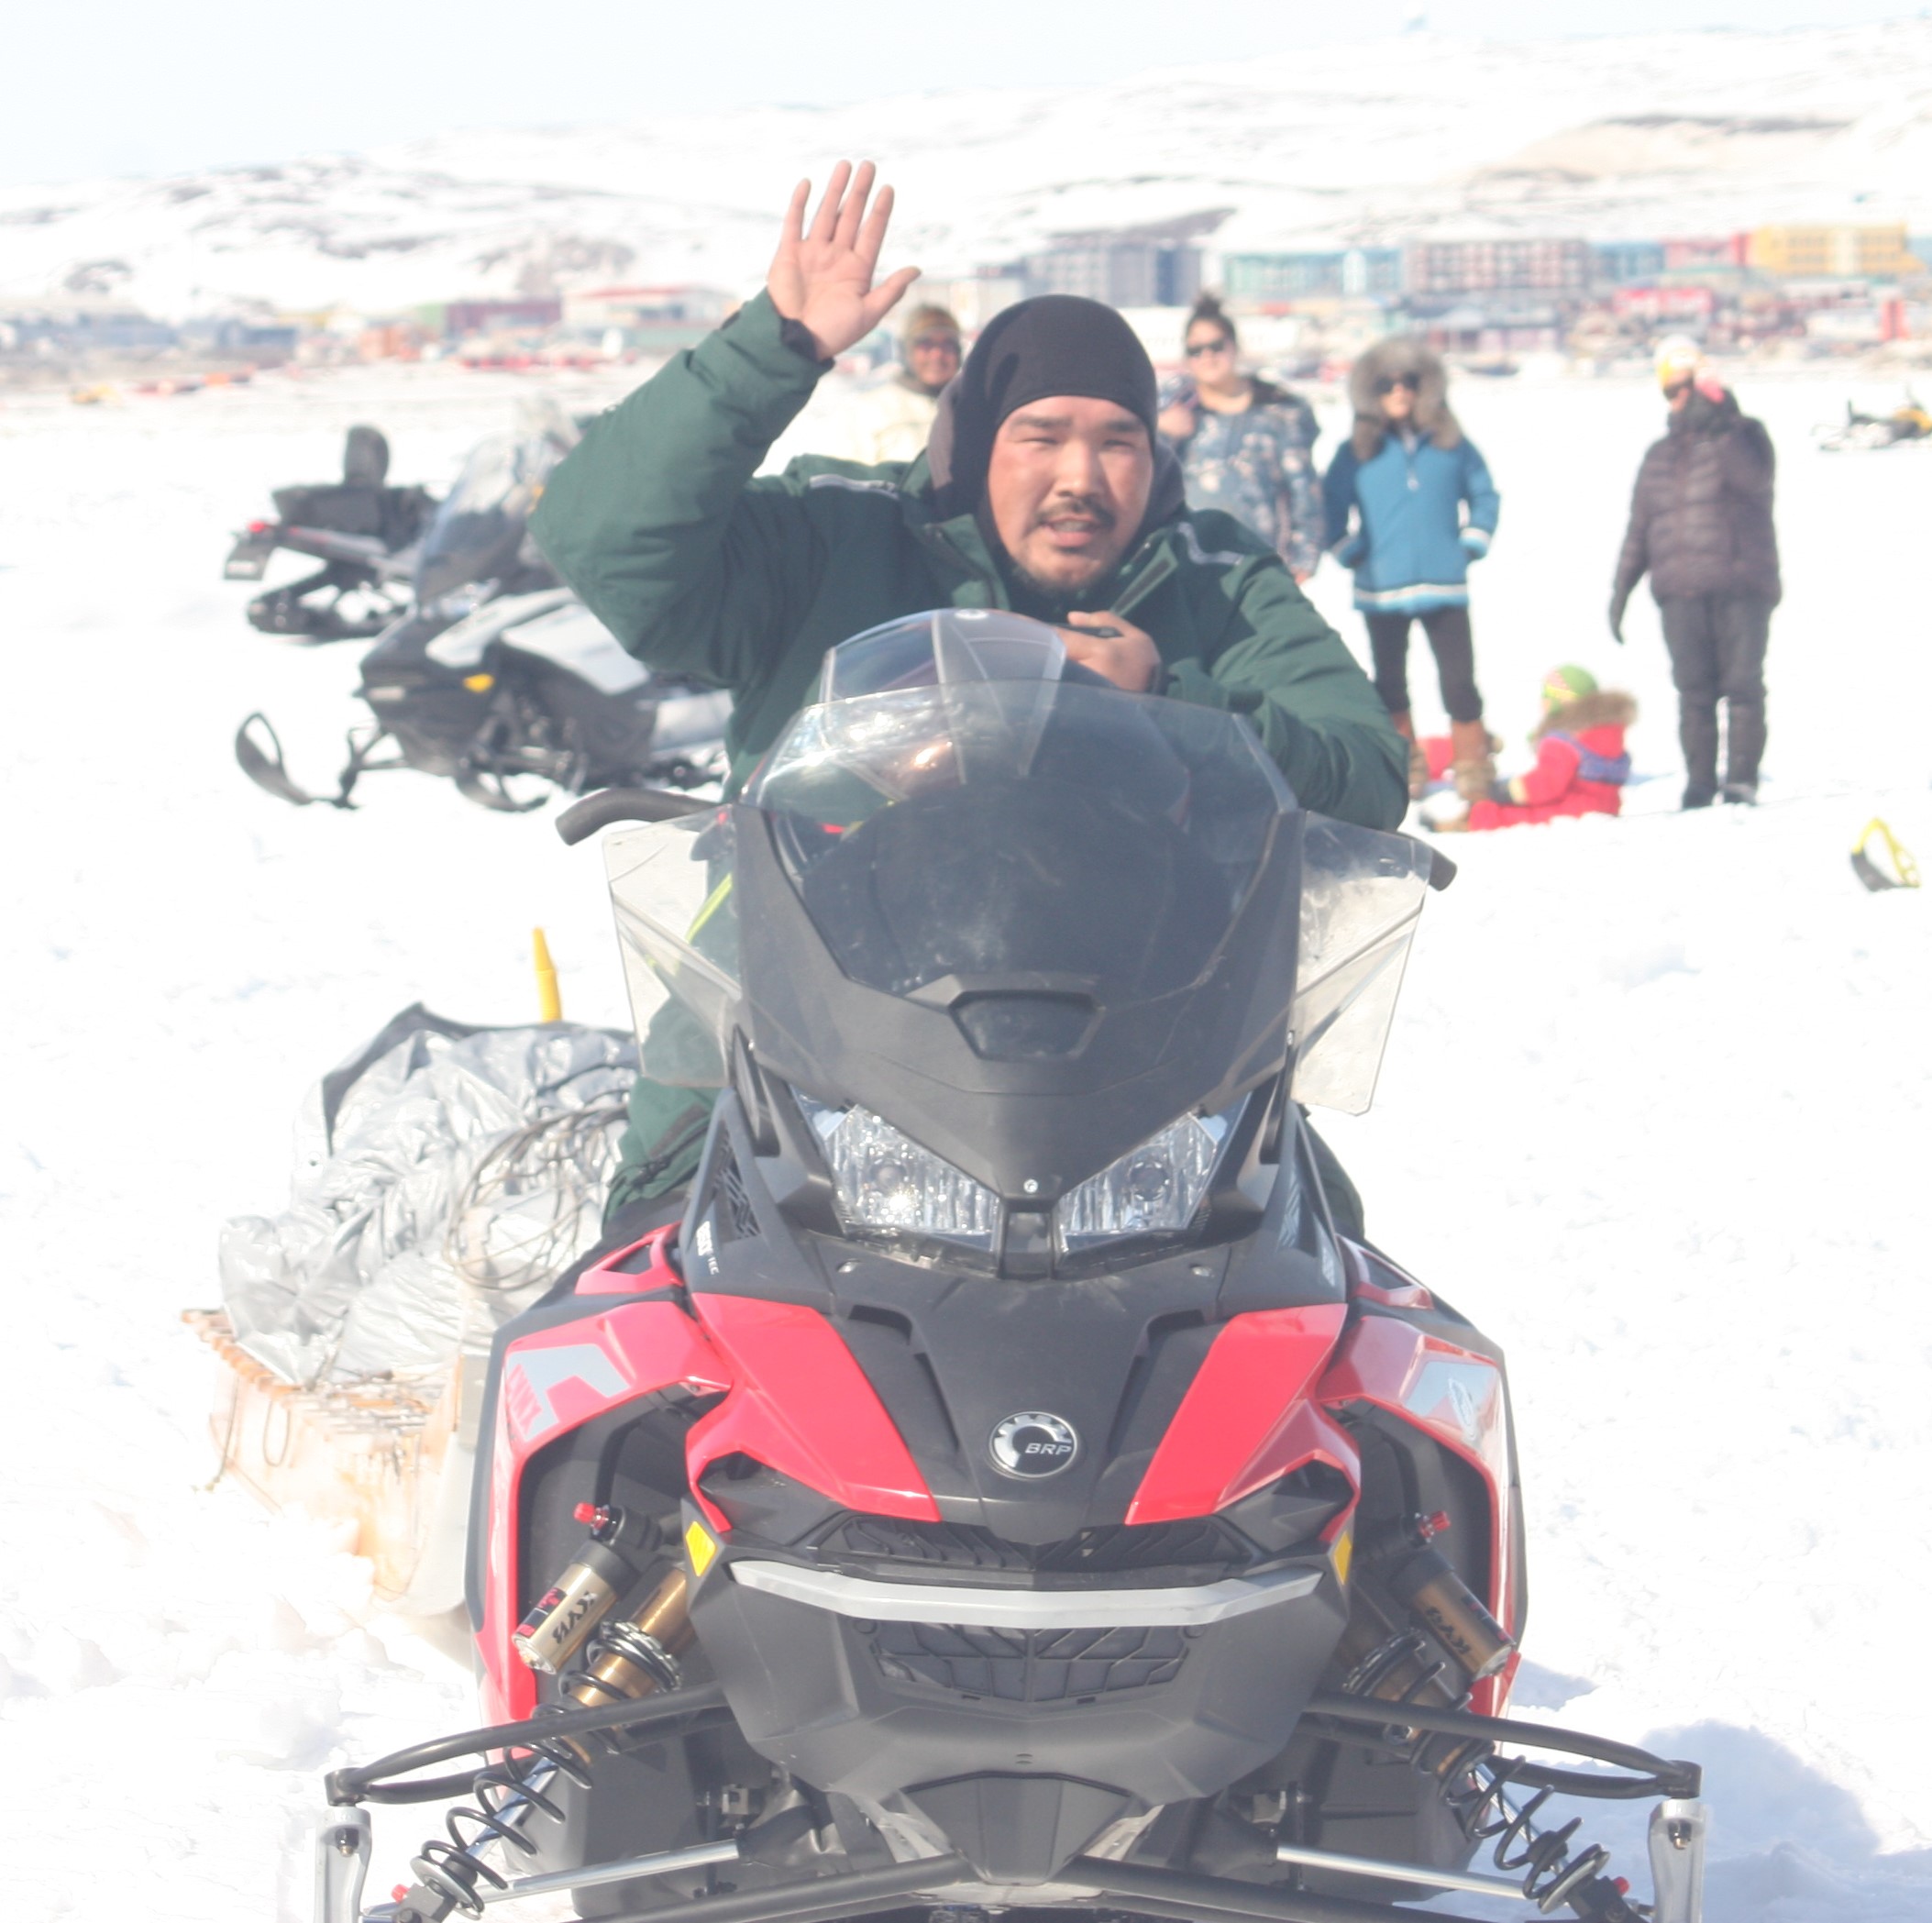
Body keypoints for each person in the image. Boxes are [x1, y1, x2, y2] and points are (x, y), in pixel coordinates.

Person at [530, 162, 1405, 1236]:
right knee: (660, 1277)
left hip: (1141, 1048)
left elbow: (1366, 774)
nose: (1081, 474)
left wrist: (1175, 707)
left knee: (1321, 1272)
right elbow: (601, 539)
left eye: (1117, 441)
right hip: (783, 1030)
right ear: (976, 439)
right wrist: (774, 349)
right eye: (1041, 437)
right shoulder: (838, 540)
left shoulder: (1211, 579)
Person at [1323, 337, 1501, 804]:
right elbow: (1329, 512)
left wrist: (1471, 542)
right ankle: (1407, 768)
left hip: (1445, 583)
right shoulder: (1355, 452)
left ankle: (1473, 767)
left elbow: (1484, 495)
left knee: (1459, 681)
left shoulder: (1452, 445)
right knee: (1390, 683)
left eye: (1409, 382)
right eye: (1386, 384)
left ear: (1426, 387)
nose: (1399, 391)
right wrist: (1351, 552)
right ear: (1369, 392)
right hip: (1382, 588)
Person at [1610, 336, 1779, 808]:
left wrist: (1723, 426)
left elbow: (1756, 479)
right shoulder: (1658, 455)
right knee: (1694, 692)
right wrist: (1622, 588)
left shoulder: (1746, 437)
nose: (1679, 399)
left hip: (1741, 583)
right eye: (1670, 390)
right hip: (1681, 589)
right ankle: (1700, 783)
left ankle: (1741, 780)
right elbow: (1640, 527)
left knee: (1743, 687)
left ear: (1706, 386)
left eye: (1686, 388)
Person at [1157, 293, 1321, 581]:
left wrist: (1305, 557)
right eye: (1196, 350)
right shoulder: (1170, 409)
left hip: (1261, 561)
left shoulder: (1276, 411)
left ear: (1234, 347)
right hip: (1188, 565)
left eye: (1216, 346)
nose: (1207, 356)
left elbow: (1304, 489)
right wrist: (1160, 431)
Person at [1425, 665, 1634, 833]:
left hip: (1570, 812)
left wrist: (1508, 791)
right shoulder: (1608, 734)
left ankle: (1467, 822)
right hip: (1607, 808)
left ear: (1560, 701)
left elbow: (1547, 783)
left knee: (1506, 812)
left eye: (1546, 697)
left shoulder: (1563, 741)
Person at [840, 302, 963, 463]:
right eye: (926, 345)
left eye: (947, 344)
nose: (937, 354)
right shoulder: (872, 410)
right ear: (905, 350)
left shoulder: (973, 409)